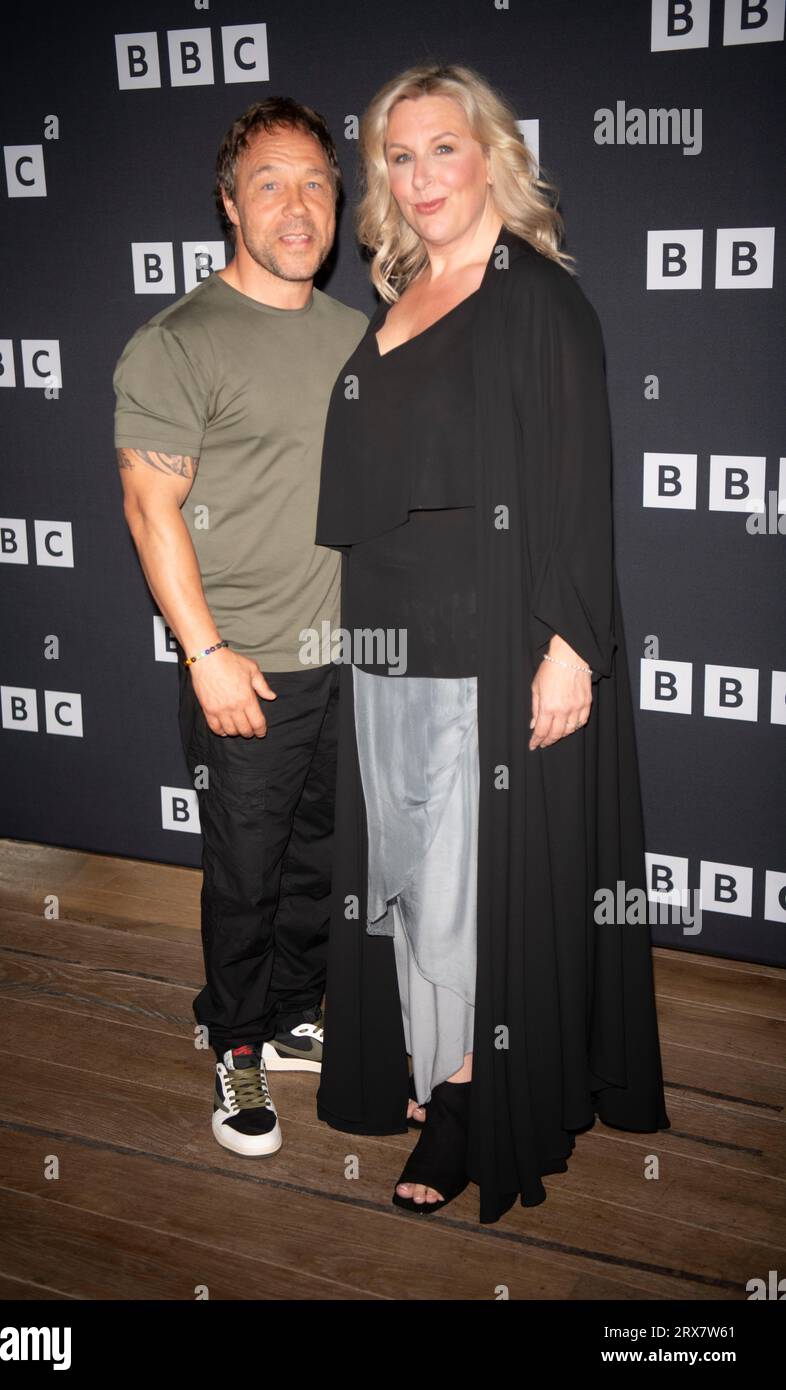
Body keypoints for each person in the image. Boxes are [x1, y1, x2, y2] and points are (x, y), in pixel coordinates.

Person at [314, 63, 671, 1221]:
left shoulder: (536, 297)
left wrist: (570, 640)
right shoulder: (396, 298)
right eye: (397, 157)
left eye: (441, 150)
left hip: (485, 634)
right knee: (408, 875)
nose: (419, 177)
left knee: (465, 880)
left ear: (491, 159)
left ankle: (472, 1093)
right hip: (384, 630)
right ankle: (427, 1061)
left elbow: (578, 479)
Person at [112, 98, 368, 1158]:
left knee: (321, 858)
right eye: (269, 181)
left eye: (314, 180)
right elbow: (148, 505)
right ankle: (234, 1041)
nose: (296, 203)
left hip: (351, 662)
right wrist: (206, 654)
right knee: (245, 870)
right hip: (245, 666)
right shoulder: (177, 341)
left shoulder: (359, 334)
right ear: (228, 203)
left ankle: (297, 1009)